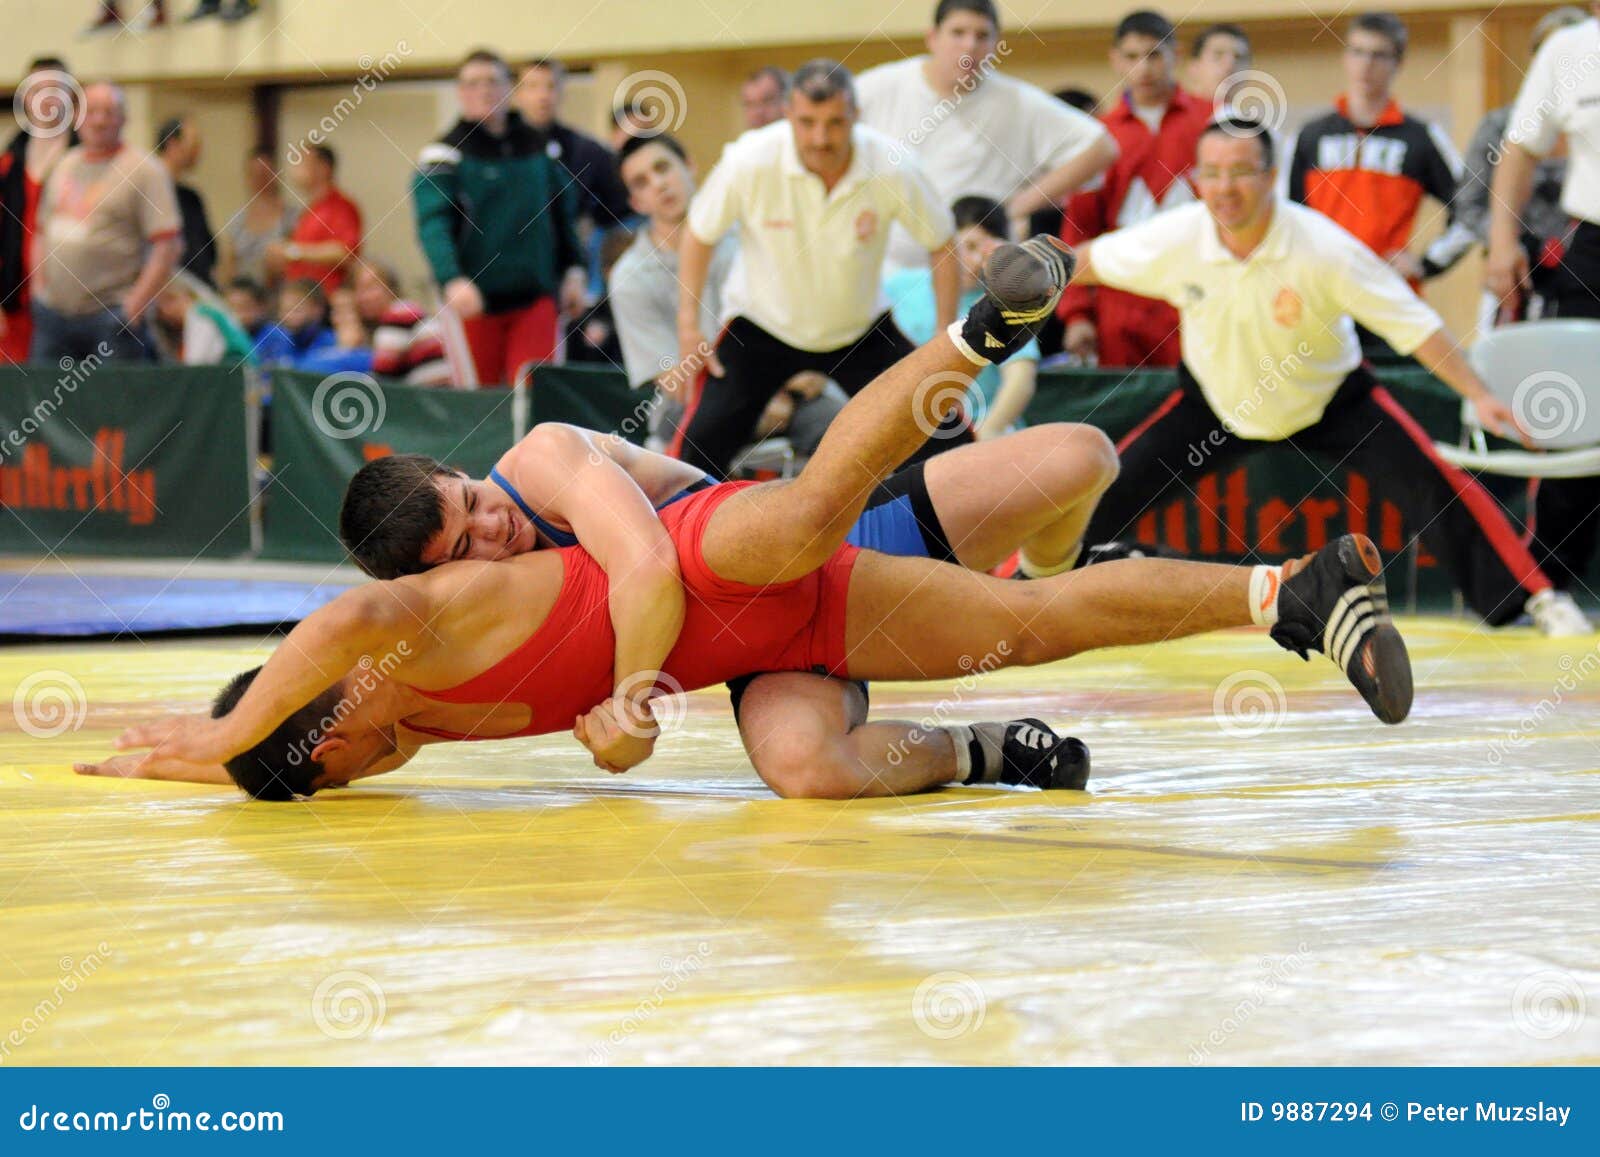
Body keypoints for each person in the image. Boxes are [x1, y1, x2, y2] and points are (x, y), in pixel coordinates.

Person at [104, 241, 1413, 800]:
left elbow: (352, 620)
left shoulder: (491, 529)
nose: (489, 534)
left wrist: (234, 726)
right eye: (463, 541)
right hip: (753, 643)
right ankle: (1286, 594)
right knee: (830, 759)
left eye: (468, 512)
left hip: (721, 544)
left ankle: (970, 334)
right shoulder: (408, 724)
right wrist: (194, 757)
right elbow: (277, 729)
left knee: (973, 475)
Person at [1068, 115, 1589, 636]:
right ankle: (1028, 586)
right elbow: (1088, 261)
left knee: (1436, 488)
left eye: (1241, 172)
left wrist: (1478, 393)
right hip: (1216, 405)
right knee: (1107, 486)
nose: (1225, 188)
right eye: (1213, 173)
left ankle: (1535, 602)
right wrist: (1025, 272)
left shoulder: (1323, 246)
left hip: (1333, 399)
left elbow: (1413, 325)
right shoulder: (1175, 237)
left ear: (1272, 176)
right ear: (1197, 180)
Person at [675, 59, 962, 477]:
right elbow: (699, 234)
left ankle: (955, 538)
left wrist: (944, 337)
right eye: (807, 122)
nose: (820, 138)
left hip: (860, 329)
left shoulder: (892, 165)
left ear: (855, 117)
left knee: (942, 427)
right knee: (697, 447)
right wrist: (688, 326)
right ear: (788, 114)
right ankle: (682, 538)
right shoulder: (749, 160)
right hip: (762, 327)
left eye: (835, 123)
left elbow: (941, 243)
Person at [610, 132, 837, 451]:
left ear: (690, 166)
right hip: (697, 401)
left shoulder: (754, 232)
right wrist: (755, 402)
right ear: (636, 202)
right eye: (641, 182)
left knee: (842, 425)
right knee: (693, 435)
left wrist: (787, 391)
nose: (659, 184)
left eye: (663, 168)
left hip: (785, 387)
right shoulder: (630, 278)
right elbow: (676, 382)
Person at [855, 0, 1116, 271]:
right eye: (958, 33)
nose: (969, 46)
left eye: (982, 36)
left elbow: (1101, 147)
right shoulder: (879, 86)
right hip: (892, 269)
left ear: (995, 43)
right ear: (932, 37)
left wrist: (1017, 207)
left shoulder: (1017, 100)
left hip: (980, 275)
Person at [1487, 3, 1600, 600]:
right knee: (1575, 422)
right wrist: (1502, 242)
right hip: (1592, 250)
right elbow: (1521, 148)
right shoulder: (1569, 48)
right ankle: (1542, 590)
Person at [414, 50, 585, 386]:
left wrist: (575, 269)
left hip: (536, 299)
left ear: (510, 88)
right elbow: (433, 224)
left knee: (536, 398)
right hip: (473, 305)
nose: (483, 90)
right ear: (460, 92)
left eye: (493, 81)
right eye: (472, 83)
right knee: (483, 406)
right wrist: (451, 279)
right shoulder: (442, 154)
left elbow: (563, 213)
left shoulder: (541, 149)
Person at [1284, 12, 1473, 314]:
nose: (1366, 64)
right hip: (1320, 296)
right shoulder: (1309, 136)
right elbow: (1283, 213)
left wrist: (1426, 263)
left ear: (1398, 63)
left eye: (1379, 55)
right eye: (1357, 51)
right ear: (1345, 57)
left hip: (1388, 298)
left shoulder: (1421, 138)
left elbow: (1471, 209)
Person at [1057, 10, 1212, 368]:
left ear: (1176, 55)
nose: (1143, 68)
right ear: (1115, 59)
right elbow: (1080, 228)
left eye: (1154, 55)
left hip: (1200, 289)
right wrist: (1078, 313)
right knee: (1127, 412)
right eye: (1131, 56)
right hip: (1123, 298)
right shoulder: (1096, 137)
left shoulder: (1213, 121)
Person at [30, 82, 180, 365]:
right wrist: (38, 290)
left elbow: (167, 244)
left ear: (124, 119)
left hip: (111, 317)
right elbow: (40, 232)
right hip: (54, 316)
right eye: (92, 112)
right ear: (76, 117)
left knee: (111, 406)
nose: (99, 121)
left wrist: (135, 305)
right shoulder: (63, 165)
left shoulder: (145, 170)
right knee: (45, 404)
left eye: (109, 112)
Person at [890, 195, 1038, 444]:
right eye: (968, 247)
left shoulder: (1007, 306)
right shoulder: (899, 287)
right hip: (908, 431)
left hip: (979, 431)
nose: (976, 261)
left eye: (988, 251)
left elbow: (1021, 378)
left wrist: (987, 432)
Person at [1, 57, 77, 365]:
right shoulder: (7, 166)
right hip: (15, 302)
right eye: (37, 89)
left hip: (73, 304)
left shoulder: (87, 162)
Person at [266, 145, 361, 292]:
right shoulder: (309, 210)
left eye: (302, 162)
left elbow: (344, 252)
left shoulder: (340, 207)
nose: (295, 168)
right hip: (301, 295)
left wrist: (291, 251)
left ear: (323, 168)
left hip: (325, 297)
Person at [217, 147, 296, 289]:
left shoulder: (291, 216)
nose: (260, 179)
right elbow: (228, 264)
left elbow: (294, 260)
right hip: (243, 296)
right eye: (254, 174)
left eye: (266, 173)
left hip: (278, 295)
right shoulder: (238, 219)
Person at [156, 115, 217, 288]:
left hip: (198, 289)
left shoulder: (191, 198)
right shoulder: (149, 193)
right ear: (172, 144)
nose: (198, 151)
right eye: (194, 143)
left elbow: (208, 251)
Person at [1186, 23, 1252, 109]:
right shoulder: (1172, 119)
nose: (1230, 65)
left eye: (1238, 57)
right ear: (1194, 67)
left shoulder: (1256, 120)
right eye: (1218, 54)